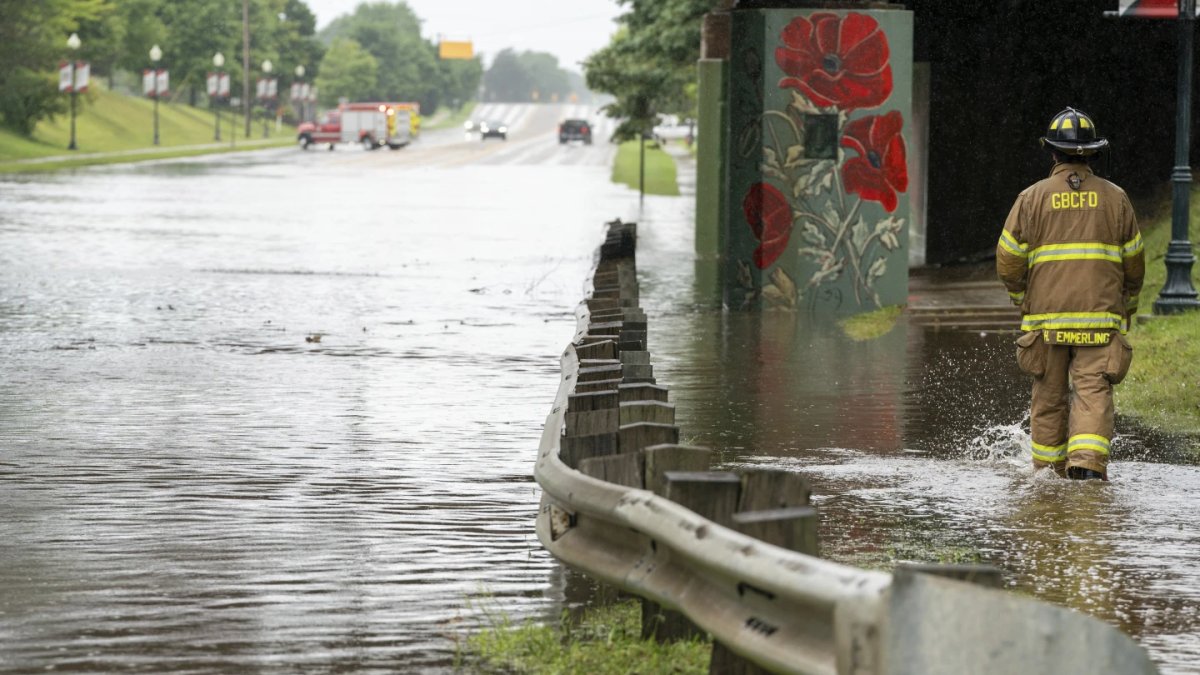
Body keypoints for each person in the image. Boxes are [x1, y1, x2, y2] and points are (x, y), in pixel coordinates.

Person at [996, 107, 1145, 481]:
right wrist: (1128, 304)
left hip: (1046, 323)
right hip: (1099, 320)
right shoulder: (1116, 198)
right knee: (1093, 391)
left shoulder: (1031, 198)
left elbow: (1008, 260)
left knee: (1048, 397)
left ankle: (1048, 476)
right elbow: (1134, 262)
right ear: (1093, 153)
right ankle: (1087, 467)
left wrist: (1021, 297)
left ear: (1052, 152)